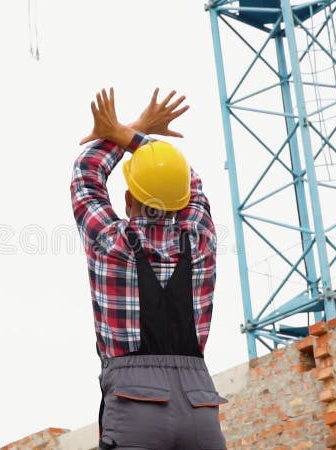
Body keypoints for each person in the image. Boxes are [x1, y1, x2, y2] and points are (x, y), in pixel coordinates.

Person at [71, 87, 227, 450]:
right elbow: (190, 183)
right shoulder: (202, 239)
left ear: (128, 199)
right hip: (201, 406)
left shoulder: (111, 241)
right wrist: (135, 134)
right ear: (185, 202)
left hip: (134, 407)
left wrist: (128, 129)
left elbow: (87, 172)